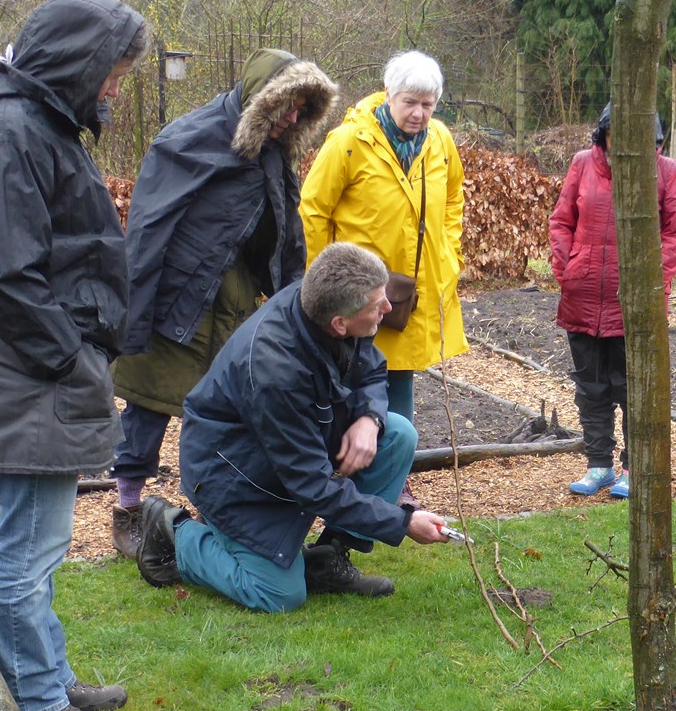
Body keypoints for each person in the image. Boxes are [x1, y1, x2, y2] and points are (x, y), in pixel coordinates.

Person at [0, 0, 148, 711]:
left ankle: (48, 673)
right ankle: (33, 700)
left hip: (42, 364)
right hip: (30, 365)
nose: (115, 89)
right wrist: (70, 357)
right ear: (77, 62)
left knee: (42, 540)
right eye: (112, 72)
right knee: (28, 543)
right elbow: (6, 274)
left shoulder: (37, 123)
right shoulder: (7, 130)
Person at [108, 49, 341, 556]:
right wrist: (136, 310)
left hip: (234, 299)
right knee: (151, 398)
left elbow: (288, 236)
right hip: (178, 296)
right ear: (263, 99)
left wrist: (298, 309)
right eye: (288, 105)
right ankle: (127, 507)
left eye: (303, 109)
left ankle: (222, 504)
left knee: (229, 408)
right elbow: (148, 229)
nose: (294, 118)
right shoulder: (191, 140)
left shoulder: (275, 153)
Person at [135, 243, 450, 611]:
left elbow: (373, 370)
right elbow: (312, 486)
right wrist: (402, 522)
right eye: (377, 305)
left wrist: (370, 418)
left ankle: (328, 557)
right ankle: (174, 534)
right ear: (340, 324)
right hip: (232, 474)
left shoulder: (323, 305)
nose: (388, 308)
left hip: (284, 451)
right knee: (279, 594)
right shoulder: (275, 371)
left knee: (396, 434)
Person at [298, 50, 468, 506]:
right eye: (410, 102)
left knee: (400, 379)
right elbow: (313, 209)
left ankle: (395, 478)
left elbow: (454, 198)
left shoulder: (441, 142)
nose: (418, 114)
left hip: (412, 291)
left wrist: (447, 253)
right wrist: (322, 284)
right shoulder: (350, 141)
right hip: (358, 293)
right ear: (388, 95)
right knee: (351, 379)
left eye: (428, 105)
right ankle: (341, 479)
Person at [550, 103, 676, 498]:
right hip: (582, 298)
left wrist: (648, 285)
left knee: (634, 389)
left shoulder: (668, 173)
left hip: (634, 307)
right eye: (617, 136)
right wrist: (568, 270)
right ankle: (599, 466)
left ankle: (634, 468)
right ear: (604, 134)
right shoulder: (582, 164)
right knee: (590, 388)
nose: (624, 145)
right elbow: (562, 221)